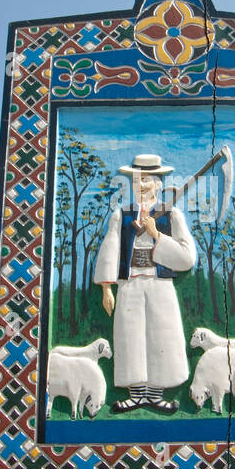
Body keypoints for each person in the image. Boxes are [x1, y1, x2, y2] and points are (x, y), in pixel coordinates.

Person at [94, 152, 196, 412]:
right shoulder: (123, 215)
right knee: (131, 337)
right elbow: (110, 249)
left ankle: (155, 394)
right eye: (137, 181)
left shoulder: (171, 215)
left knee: (162, 338)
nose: (141, 186)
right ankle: (136, 394)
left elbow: (186, 257)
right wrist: (107, 287)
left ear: (159, 184)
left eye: (147, 180)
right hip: (130, 285)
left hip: (159, 284)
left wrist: (156, 235)